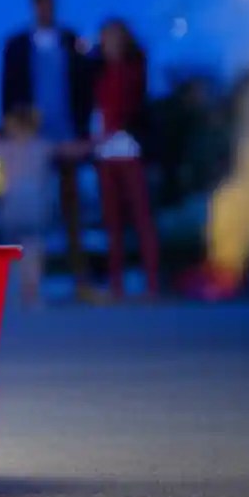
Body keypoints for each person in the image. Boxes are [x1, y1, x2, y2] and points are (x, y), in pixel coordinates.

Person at [0, 0, 96, 300]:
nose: (46, 9)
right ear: (33, 6)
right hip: (31, 137)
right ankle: (27, 285)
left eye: (50, 3)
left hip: (66, 133)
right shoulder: (16, 45)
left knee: (71, 208)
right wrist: (12, 129)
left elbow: (85, 85)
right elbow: (9, 89)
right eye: (41, 4)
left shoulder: (71, 42)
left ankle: (80, 279)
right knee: (29, 211)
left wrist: (83, 130)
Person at [0, 107, 88, 310]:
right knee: (31, 249)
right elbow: (70, 149)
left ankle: (23, 293)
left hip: (17, 206)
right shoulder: (40, 146)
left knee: (20, 250)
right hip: (28, 205)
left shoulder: (9, 147)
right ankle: (29, 293)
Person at [93, 18, 160, 300]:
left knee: (141, 217)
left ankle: (152, 283)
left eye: (114, 38)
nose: (109, 44)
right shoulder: (99, 71)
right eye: (105, 38)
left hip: (128, 149)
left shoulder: (134, 70)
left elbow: (129, 107)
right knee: (112, 221)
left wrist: (110, 128)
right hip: (105, 152)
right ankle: (116, 283)